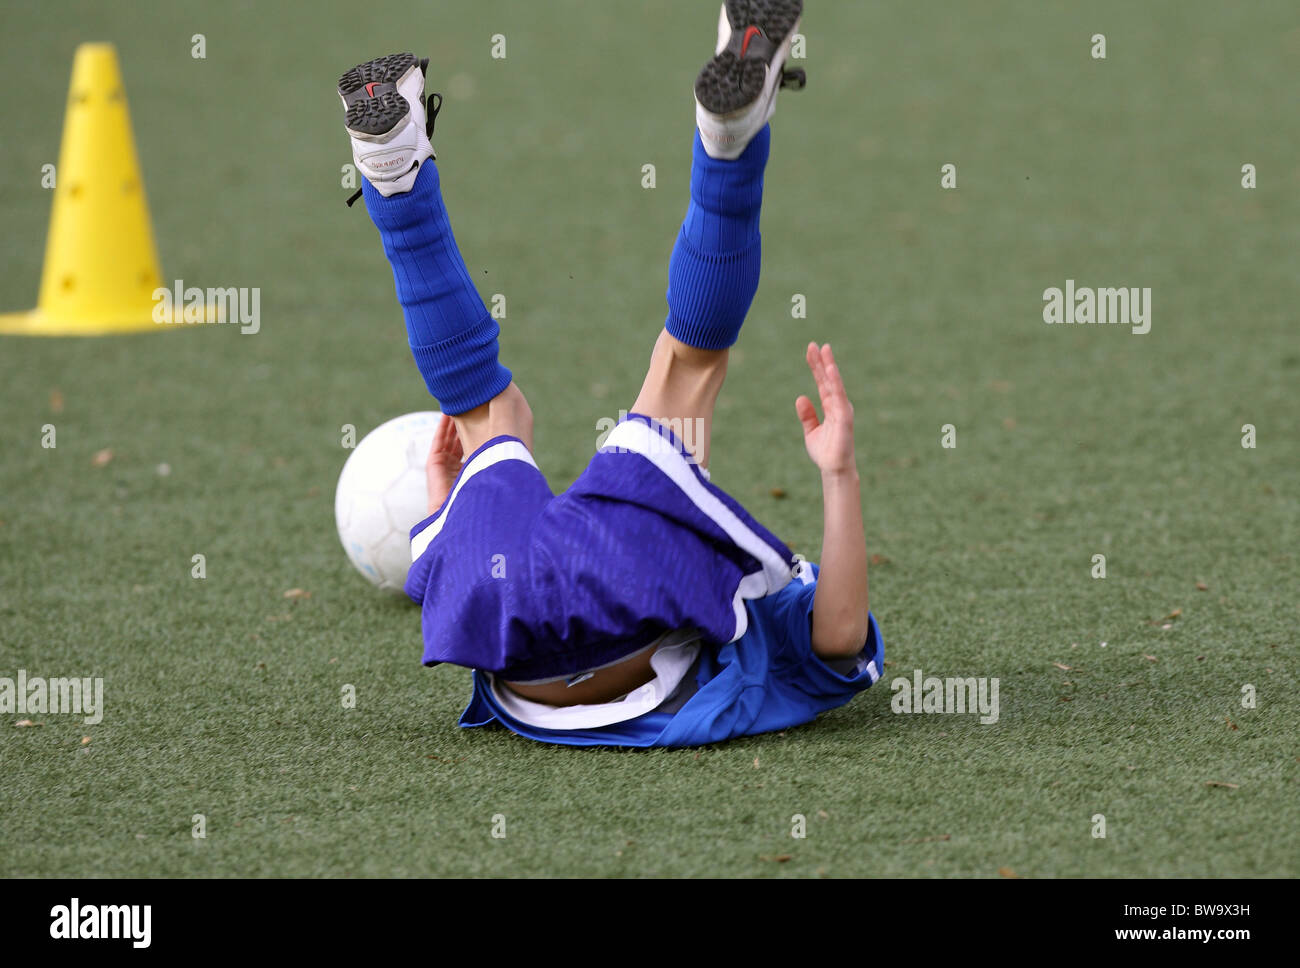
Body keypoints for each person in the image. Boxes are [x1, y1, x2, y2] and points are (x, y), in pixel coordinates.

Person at [336, 0, 883, 747]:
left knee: (687, 365)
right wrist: (455, 511)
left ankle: (729, 144)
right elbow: (840, 639)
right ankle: (392, 175)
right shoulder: (760, 657)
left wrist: (839, 475)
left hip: (612, 583)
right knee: (486, 415)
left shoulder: (774, 654)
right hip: (496, 607)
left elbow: (841, 635)